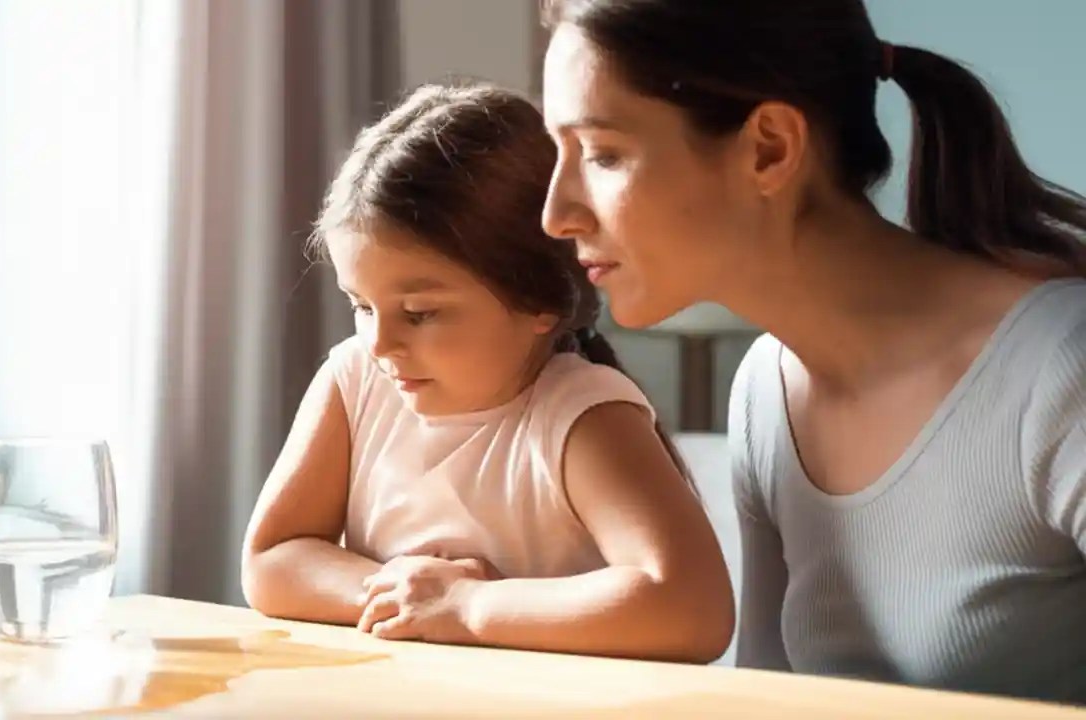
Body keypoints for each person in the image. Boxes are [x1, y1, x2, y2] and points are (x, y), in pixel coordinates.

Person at [539, 0, 1086, 703]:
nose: (556, 212)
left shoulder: (1061, 370)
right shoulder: (766, 391)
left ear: (768, 147)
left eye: (603, 154)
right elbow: (768, 699)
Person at [240, 82, 734, 662]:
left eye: (421, 313)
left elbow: (691, 609)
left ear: (538, 302)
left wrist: (467, 607)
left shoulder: (580, 415)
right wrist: (405, 596)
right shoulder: (355, 382)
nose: (379, 342)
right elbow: (272, 558)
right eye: (361, 306)